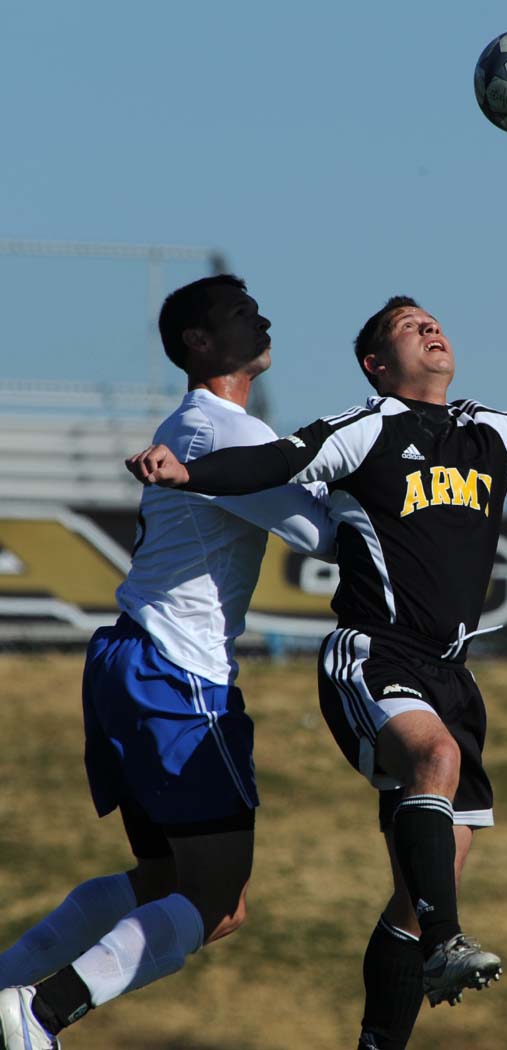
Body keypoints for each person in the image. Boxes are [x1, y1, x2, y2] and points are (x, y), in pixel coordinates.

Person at [126, 297, 507, 1050]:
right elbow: (279, 460)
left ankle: (382, 1035)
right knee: (436, 760)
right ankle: (448, 944)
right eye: (408, 326)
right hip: (373, 653)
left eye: (433, 320)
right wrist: (192, 470)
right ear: (376, 364)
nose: (431, 328)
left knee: (423, 890)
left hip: (452, 676)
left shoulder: (495, 433)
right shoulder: (365, 429)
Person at [0, 274, 336, 1050]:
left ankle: (8, 984)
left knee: (163, 885)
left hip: (128, 659)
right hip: (174, 675)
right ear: (200, 343)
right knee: (217, 899)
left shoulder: (190, 425)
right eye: (243, 314)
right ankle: (38, 1016)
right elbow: (326, 540)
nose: (265, 320)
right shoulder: (225, 433)